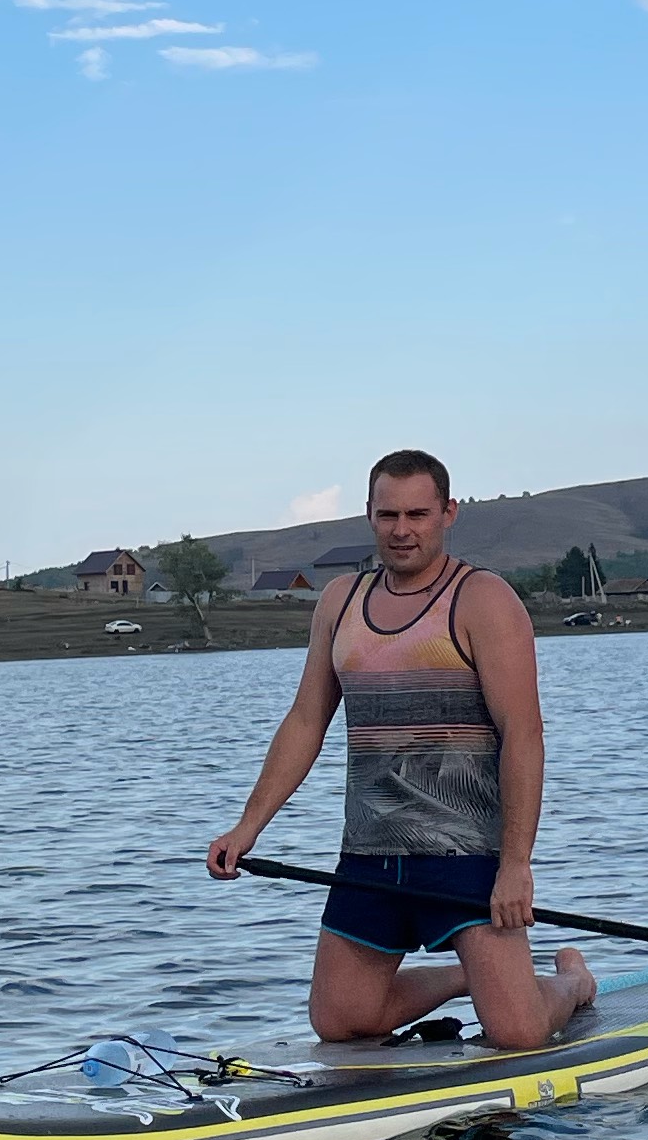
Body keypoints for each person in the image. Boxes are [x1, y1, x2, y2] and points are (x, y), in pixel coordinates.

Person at [207, 448, 595, 1053]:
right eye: (388, 515)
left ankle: (569, 983)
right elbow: (307, 719)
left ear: (448, 513)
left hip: (466, 852)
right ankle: (472, 975)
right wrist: (248, 826)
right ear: (369, 515)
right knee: (340, 1020)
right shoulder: (338, 601)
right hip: (370, 849)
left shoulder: (483, 600)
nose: (402, 529)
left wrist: (516, 863)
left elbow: (525, 735)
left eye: (418, 513)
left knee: (518, 1033)